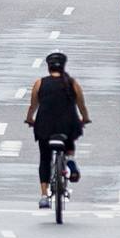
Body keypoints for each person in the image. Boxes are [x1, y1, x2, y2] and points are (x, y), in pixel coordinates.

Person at [24, 51, 90, 206]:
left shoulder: (40, 83)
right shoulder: (72, 83)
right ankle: (70, 161)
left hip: (44, 127)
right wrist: (85, 118)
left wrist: (29, 119)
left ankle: (44, 196)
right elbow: (81, 105)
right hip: (67, 126)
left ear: (49, 67)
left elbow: (33, 106)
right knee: (70, 137)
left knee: (45, 158)